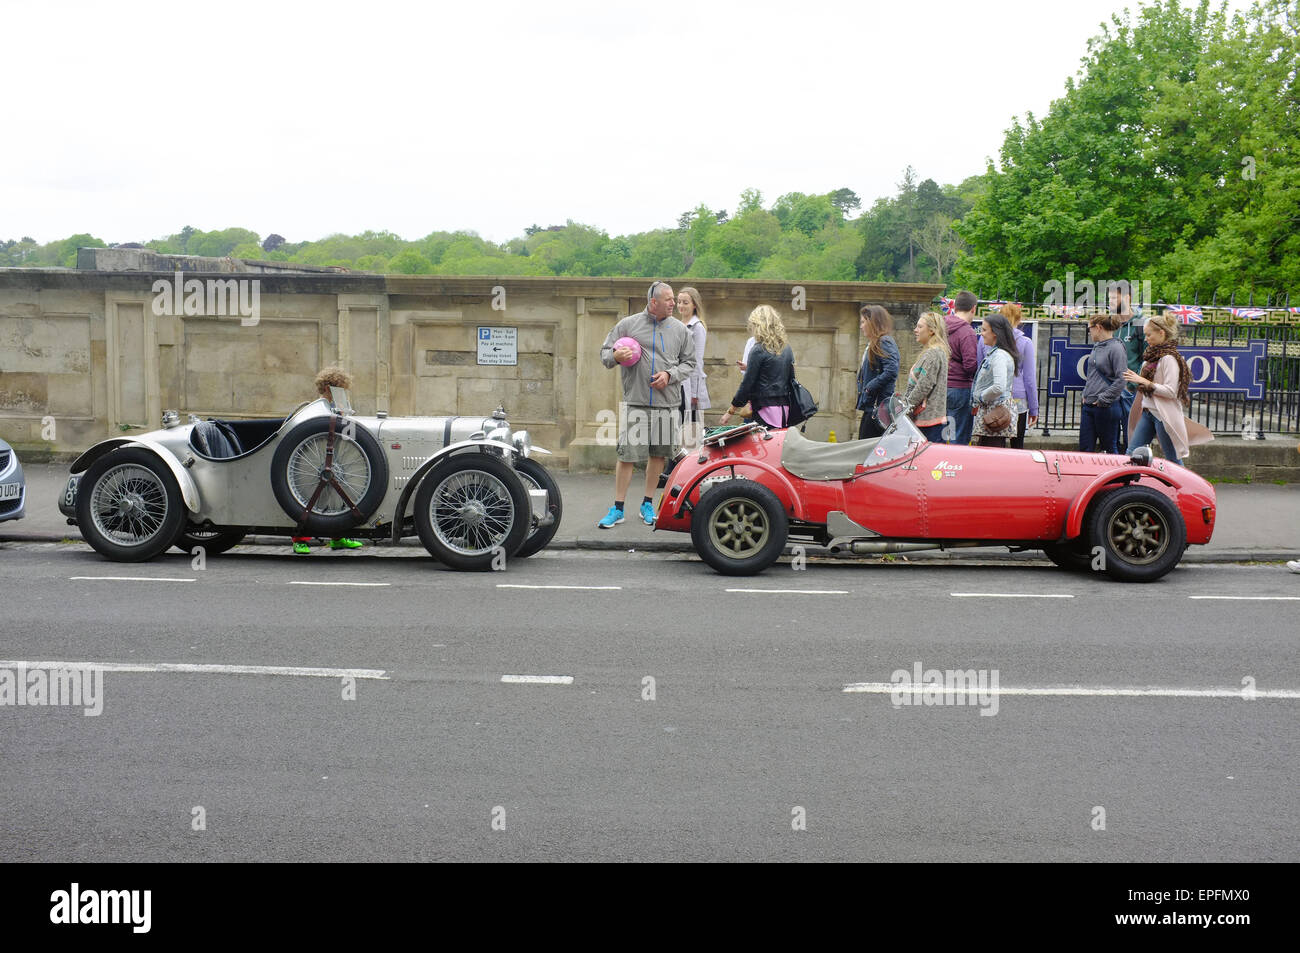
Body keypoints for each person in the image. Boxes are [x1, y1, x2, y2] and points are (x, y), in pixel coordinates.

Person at [597, 280, 696, 528]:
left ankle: (647, 503)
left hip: (667, 404)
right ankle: (618, 508)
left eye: (674, 299)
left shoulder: (681, 330)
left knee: (658, 456)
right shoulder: (628, 325)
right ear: (654, 302)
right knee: (627, 456)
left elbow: (690, 363)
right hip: (636, 403)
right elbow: (605, 354)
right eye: (669, 299)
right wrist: (616, 356)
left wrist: (669, 376)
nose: (674, 303)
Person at [1123, 312, 1213, 466]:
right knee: (1132, 455)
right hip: (1148, 413)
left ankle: (1186, 488)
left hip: (1162, 417)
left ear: (1161, 333)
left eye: (1149, 335)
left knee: (1173, 460)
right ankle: (1128, 488)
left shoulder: (1169, 358)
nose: (1146, 339)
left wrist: (1144, 381)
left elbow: (1171, 392)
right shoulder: (1150, 357)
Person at [292, 366, 365, 554]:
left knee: (336, 500)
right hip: (313, 462)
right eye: (337, 389)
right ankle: (300, 539)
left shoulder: (334, 408)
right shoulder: (314, 409)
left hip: (332, 460)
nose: (340, 394)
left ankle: (337, 538)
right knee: (309, 500)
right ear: (327, 389)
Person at [718, 306, 794, 429]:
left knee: (757, 446)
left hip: (763, 410)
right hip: (784, 410)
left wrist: (730, 411)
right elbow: (791, 379)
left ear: (757, 325)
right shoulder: (787, 348)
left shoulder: (758, 350)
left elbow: (747, 384)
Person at [976, 302, 1038, 448]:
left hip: (991, 395)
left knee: (993, 440)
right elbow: (1029, 378)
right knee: (1017, 443)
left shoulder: (984, 340)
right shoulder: (1025, 342)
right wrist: (1034, 408)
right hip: (1017, 397)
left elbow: (980, 371)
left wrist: (977, 398)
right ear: (1019, 320)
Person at [1079, 313, 1127, 454]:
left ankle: (1117, 476)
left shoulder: (1116, 348)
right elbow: (1092, 375)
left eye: (1090, 329)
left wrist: (1103, 399)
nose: (1089, 332)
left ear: (1098, 327)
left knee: (1110, 448)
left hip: (1107, 407)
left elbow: (1122, 378)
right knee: (1085, 449)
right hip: (1089, 404)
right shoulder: (1097, 346)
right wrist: (1085, 394)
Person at [970, 313, 1020, 447]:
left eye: (985, 330)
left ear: (995, 333)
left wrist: (980, 397)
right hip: (994, 414)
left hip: (994, 416)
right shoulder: (998, 354)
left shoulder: (999, 356)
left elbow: (999, 387)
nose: (982, 333)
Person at [899, 311, 949, 443]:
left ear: (932, 330)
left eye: (920, 327)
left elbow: (924, 386)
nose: (916, 330)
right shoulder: (934, 352)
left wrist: (906, 408)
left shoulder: (933, 353)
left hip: (928, 421)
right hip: (928, 420)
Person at [855, 305, 900, 441]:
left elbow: (892, 370)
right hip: (872, 406)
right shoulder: (875, 342)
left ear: (872, 322)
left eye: (863, 322)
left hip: (878, 407)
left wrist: (870, 387)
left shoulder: (884, 341)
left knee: (867, 449)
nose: (861, 326)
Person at [1111, 285, 1145, 450]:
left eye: (1114, 298)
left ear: (1127, 298)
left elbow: (1146, 358)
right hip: (1110, 390)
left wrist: (1134, 384)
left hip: (1130, 392)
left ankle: (1134, 473)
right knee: (1111, 439)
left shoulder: (1140, 323)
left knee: (1132, 438)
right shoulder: (1110, 322)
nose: (1110, 302)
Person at [945, 291, 981, 445]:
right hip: (960, 389)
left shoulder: (941, 326)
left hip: (941, 387)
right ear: (974, 308)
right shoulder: (967, 332)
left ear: (955, 306)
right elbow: (970, 365)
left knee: (943, 433)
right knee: (958, 436)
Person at [677, 287, 710, 448]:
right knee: (676, 429)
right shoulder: (675, 325)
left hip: (689, 386)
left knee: (691, 431)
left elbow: (697, 362)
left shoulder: (697, 327)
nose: (681, 306)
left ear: (694, 305)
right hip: (676, 384)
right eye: (679, 302)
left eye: (685, 302)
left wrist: (695, 394)